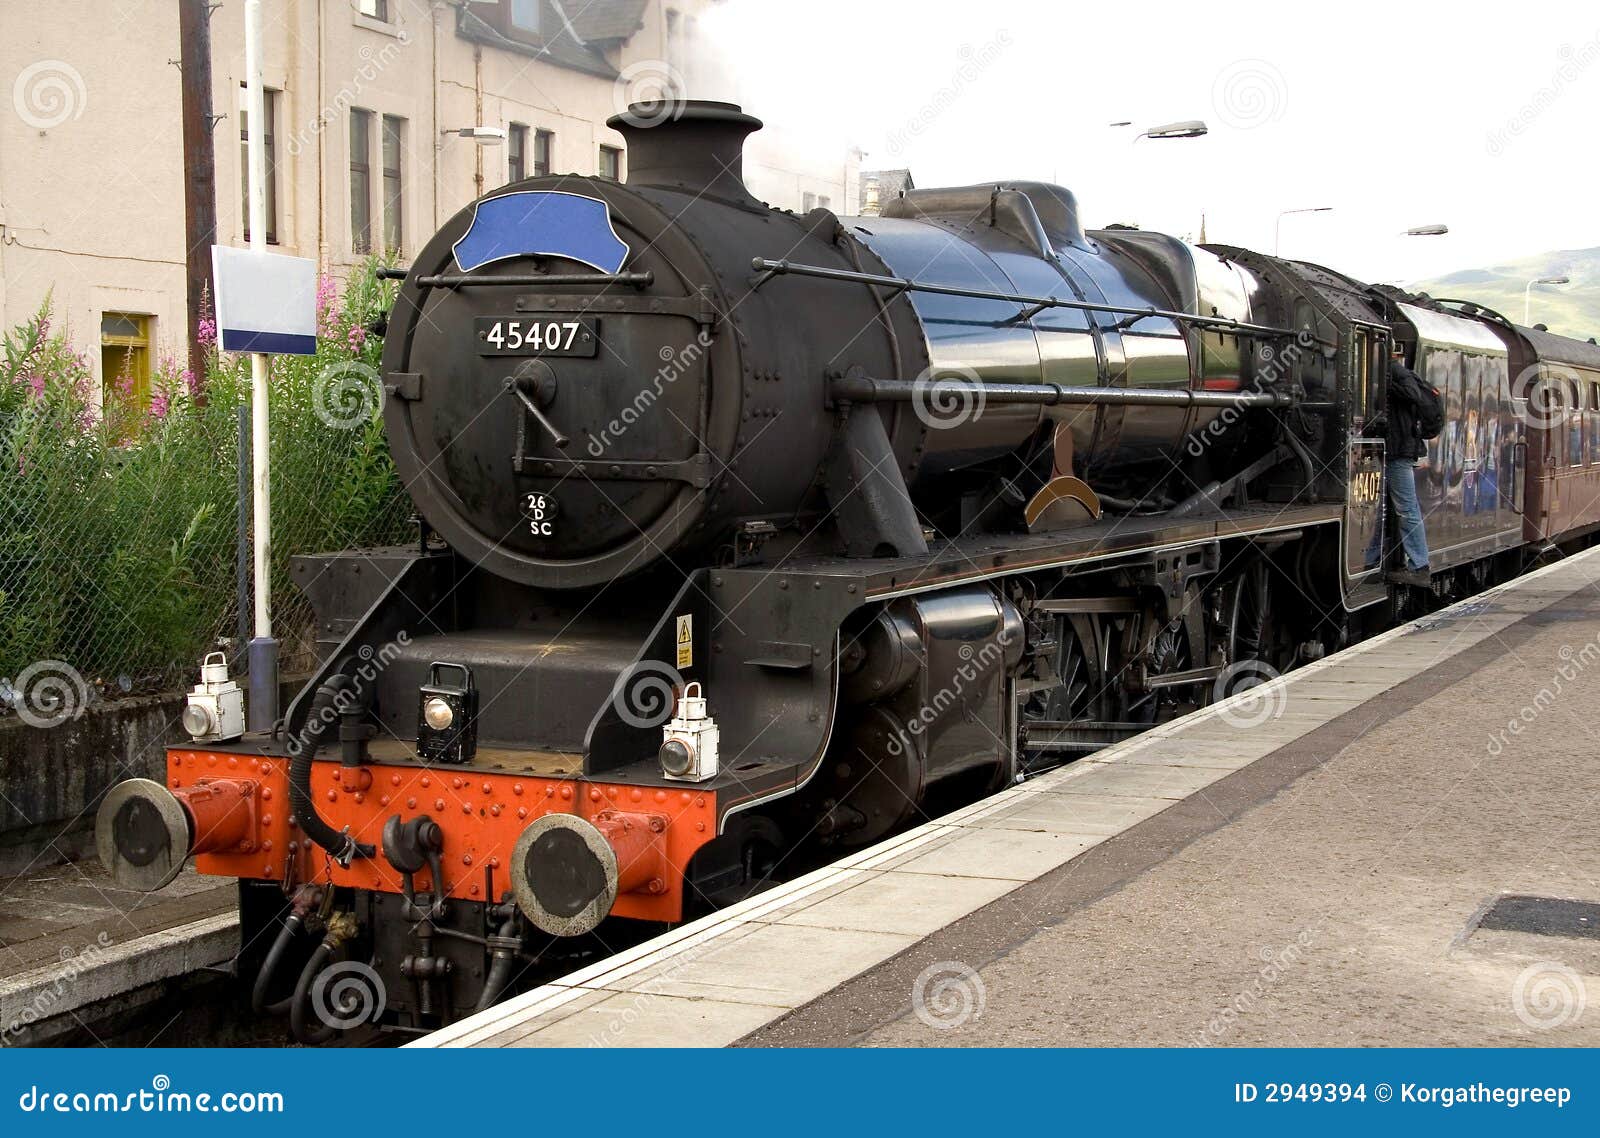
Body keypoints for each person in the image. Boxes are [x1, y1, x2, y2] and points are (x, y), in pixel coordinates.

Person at [1377, 349, 1432, 585]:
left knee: (1406, 508)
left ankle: (1419, 566)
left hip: (1399, 452)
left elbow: (1412, 395)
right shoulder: (1392, 372)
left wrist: (1384, 385)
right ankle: (1373, 560)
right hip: (1394, 450)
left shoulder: (1396, 371)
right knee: (1381, 508)